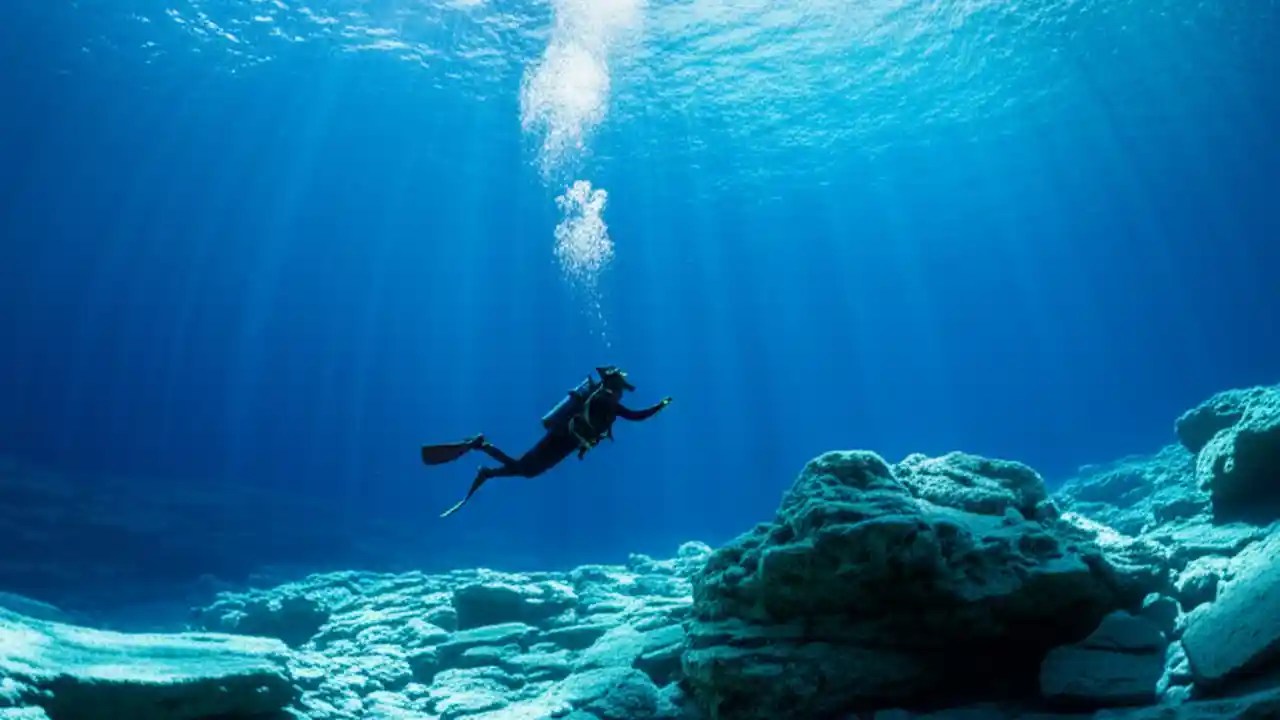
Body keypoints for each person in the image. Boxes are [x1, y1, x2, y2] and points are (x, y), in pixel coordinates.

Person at [421, 366, 672, 517]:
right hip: (560, 441)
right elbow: (636, 416)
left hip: (564, 442)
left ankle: (488, 469)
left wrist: (657, 407)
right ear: (613, 388)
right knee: (526, 469)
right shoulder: (605, 402)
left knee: (527, 470)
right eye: (621, 389)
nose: (622, 393)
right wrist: (660, 406)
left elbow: (632, 417)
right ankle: (482, 449)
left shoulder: (604, 402)